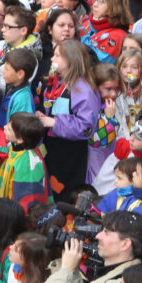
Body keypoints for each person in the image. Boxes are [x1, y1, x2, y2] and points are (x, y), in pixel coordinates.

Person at [42, 210, 142, 283]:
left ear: (125, 244)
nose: (98, 236)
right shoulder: (116, 273)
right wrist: (71, 269)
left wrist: (66, 269)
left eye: (106, 232)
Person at [38, 40, 100, 201]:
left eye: (57, 56)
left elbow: (86, 127)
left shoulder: (83, 88)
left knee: (64, 194)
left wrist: (55, 123)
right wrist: (44, 117)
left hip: (70, 153)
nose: (52, 59)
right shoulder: (57, 81)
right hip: (53, 147)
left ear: (71, 60)